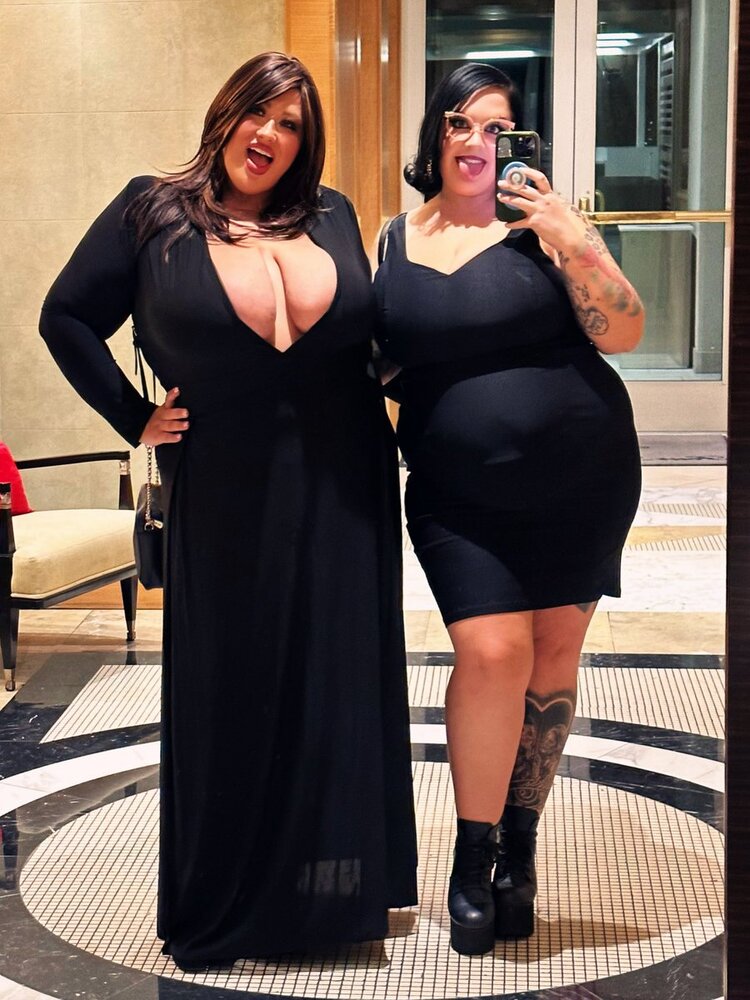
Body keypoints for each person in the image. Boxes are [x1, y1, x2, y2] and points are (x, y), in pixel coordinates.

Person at [39, 51, 418, 969]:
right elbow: (66, 318)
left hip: (345, 481)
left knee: (333, 681)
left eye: (291, 125)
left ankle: (330, 895)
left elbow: (370, 339)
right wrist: (133, 417)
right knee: (229, 686)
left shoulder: (331, 214)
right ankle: (221, 901)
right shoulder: (151, 210)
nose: (270, 135)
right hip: (224, 486)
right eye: (259, 112)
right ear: (225, 114)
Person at [374, 62, 643, 956]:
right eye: (460, 122)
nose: (477, 142)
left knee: (551, 659)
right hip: (456, 494)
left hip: (583, 480)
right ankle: (472, 853)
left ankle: (519, 849)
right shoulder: (390, 240)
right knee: (492, 653)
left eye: (496, 127)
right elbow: (370, 358)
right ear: (435, 135)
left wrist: (574, 238)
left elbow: (625, 329)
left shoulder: (547, 228)